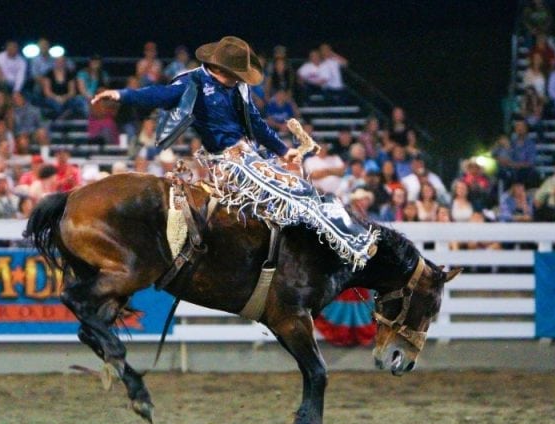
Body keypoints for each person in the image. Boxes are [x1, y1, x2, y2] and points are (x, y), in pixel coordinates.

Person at [93, 36, 376, 265]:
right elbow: (157, 94)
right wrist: (121, 94)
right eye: (237, 73)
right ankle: (349, 243)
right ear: (221, 69)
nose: (242, 78)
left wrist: (281, 149)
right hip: (228, 163)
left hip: (250, 154)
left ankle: (335, 242)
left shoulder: (238, 89)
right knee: (289, 193)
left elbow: (255, 122)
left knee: (298, 187)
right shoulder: (191, 83)